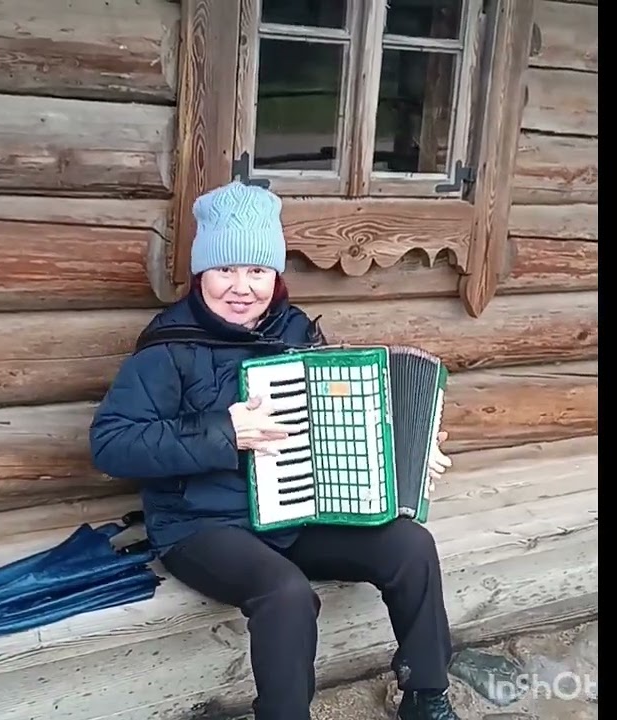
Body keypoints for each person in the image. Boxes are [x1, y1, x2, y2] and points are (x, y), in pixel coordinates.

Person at [89, 181, 460, 720]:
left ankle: (427, 695)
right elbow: (111, 445)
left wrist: (407, 453)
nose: (242, 287)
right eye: (225, 270)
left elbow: (339, 426)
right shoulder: (167, 349)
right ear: (201, 274)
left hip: (297, 514)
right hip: (201, 526)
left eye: (257, 271)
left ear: (275, 275)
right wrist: (223, 432)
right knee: (285, 594)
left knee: (410, 545)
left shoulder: (296, 334)